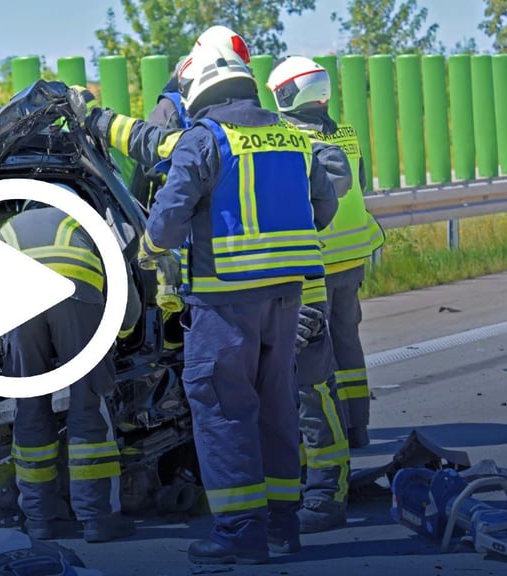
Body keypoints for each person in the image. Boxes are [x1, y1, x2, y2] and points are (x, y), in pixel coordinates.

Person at [73, 43, 338, 564]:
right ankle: (284, 525)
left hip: (224, 305)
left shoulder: (205, 138)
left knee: (224, 411)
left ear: (197, 91)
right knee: (276, 407)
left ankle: (241, 533)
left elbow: (168, 221)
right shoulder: (291, 136)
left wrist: (149, 251)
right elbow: (324, 207)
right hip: (286, 299)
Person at [0, 183, 141, 544]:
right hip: (77, 299)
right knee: (87, 407)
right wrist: (122, 335)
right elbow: (128, 302)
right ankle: (96, 519)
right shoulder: (89, 224)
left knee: (30, 412)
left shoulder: (9, 229)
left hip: (21, 305)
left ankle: (38, 520)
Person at [266, 57, 385, 450]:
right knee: (348, 342)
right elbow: (360, 183)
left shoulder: (293, 137)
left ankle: (323, 433)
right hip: (354, 256)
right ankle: (358, 428)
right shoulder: (346, 133)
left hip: (319, 259)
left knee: (315, 350)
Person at [267, 56, 358, 533]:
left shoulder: (313, 145)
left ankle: (325, 495)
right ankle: (305, 489)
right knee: (295, 393)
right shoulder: (315, 140)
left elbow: (328, 196)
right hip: (276, 286)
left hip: (303, 285)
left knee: (312, 391)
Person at [127, 25, 254, 356]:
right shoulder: (171, 105)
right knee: (178, 320)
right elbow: (149, 166)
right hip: (183, 227)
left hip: (215, 233)